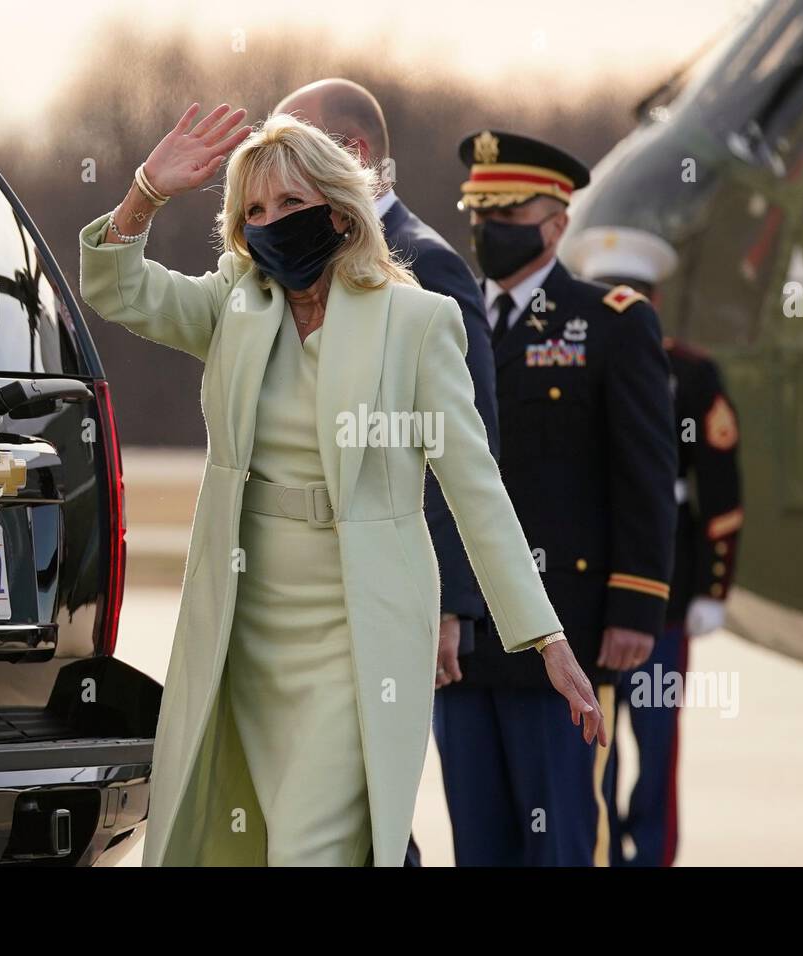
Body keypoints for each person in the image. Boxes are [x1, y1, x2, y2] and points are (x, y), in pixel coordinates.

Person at [78, 105, 609, 867]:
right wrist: (145, 193)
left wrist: (546, 638)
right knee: (242, 843)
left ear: (337, 207)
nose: (271, 222)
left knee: (313, 847)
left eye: (291, 204)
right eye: (254, 209)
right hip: (244, 620)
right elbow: (120, 291)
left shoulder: (416, 320)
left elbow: (474, 486)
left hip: (356, 627)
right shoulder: (235, 303)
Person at [432, 131, 677, 866]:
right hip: (465, 640)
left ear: (558, 221)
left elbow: (645, 472)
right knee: (480, 843)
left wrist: (636, 605)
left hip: (561, 631)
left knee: (563, 841)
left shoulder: (611, 319)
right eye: (480, 211)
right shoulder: (441, 319)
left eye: (509, 212)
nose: (488, 229)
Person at [273, 77, 498, 868]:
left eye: (297, 150)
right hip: (310, 591)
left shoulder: (426, 269)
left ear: (354, 155)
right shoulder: (302, 260)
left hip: (391, 590)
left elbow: (461, 453)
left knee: (366, 800)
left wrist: (451, 607)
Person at [565, 225, 743, 866]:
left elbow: (719, 492)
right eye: (610, 293)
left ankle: (653, 858)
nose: (622, 305)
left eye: (633, 294)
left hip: (665, 591)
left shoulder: (690, 375)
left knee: (658, 739)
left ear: (654, 298)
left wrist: (712, 590)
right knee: (593, 740)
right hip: (587, 586)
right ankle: (604, 852)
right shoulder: (564, 359)